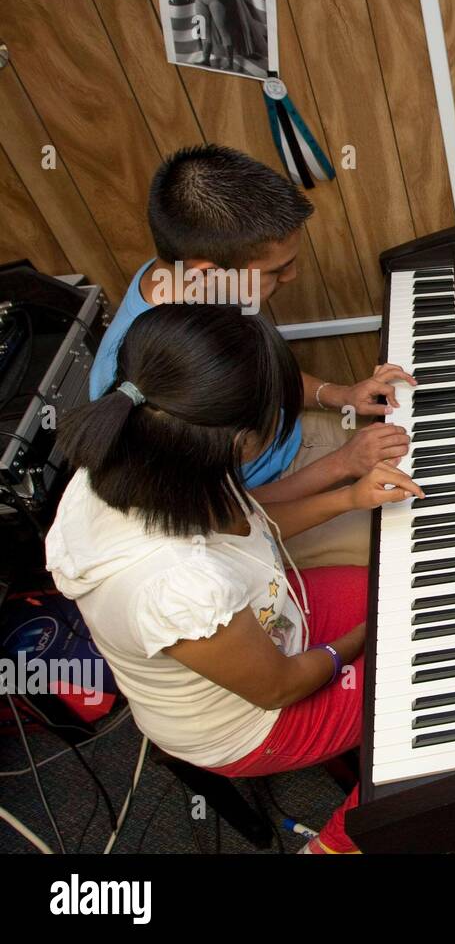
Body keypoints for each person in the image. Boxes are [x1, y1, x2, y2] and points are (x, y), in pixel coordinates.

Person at [48, 306, 423, 854]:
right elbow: (282, 686)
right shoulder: (172, 585)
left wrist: (348, 490)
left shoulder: (142, 450)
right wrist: (374, 629)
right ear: (243, 441)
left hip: (270, 619)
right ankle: (335, 845)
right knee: (425, 701)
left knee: (410, 587)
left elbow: (244, 524)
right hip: (255, 719)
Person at [90, 144, 415, 567]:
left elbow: (263, 375)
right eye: (276, 270)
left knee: (431, 457)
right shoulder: (145, 377)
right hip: (252, 517)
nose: (292, 276)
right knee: (409, 550)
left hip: (291, 448)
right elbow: (221, 520)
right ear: (207, 271)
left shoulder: (185, 280)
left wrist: (341, 395)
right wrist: (341, 470)